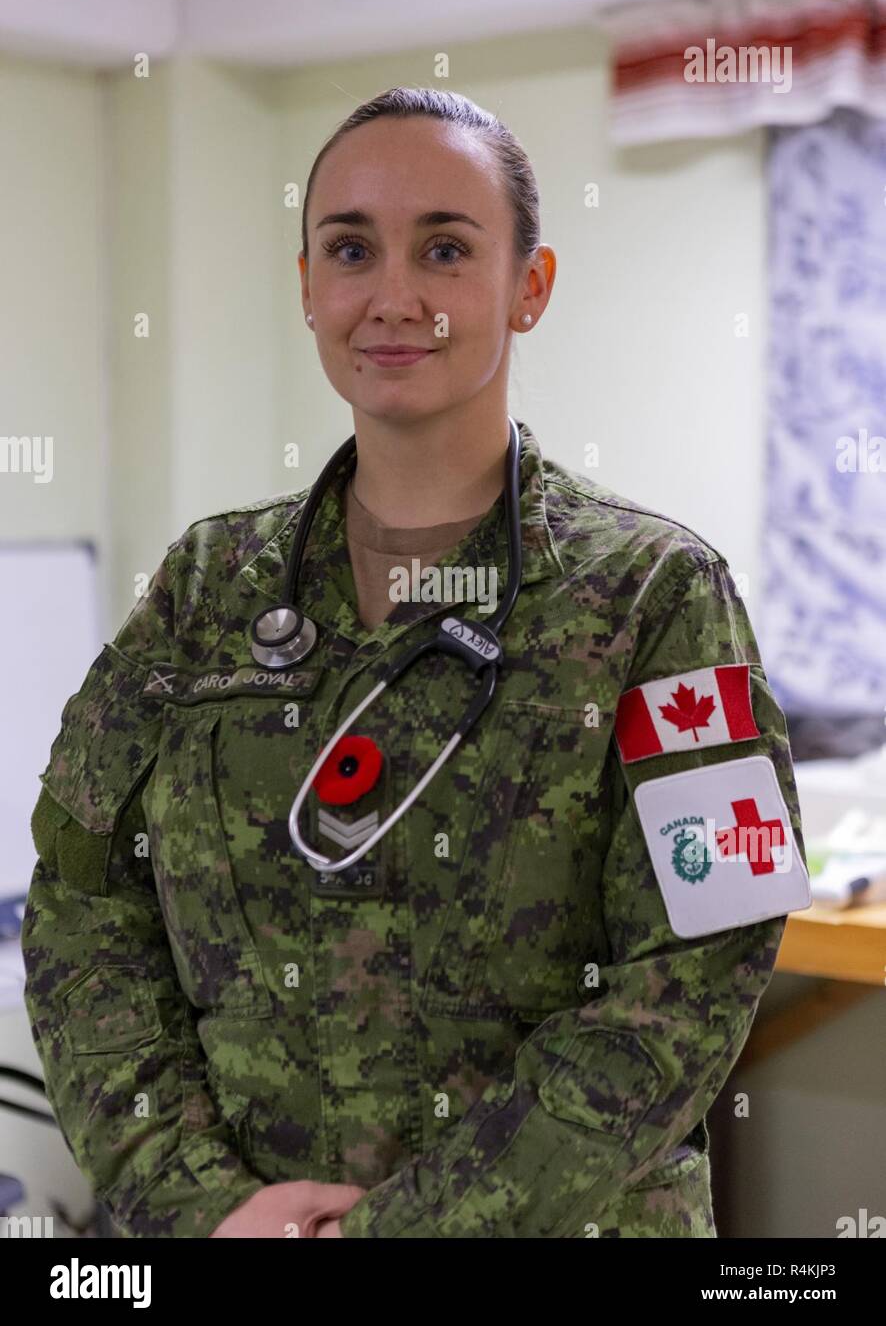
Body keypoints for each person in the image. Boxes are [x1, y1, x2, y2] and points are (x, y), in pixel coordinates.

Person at [21, 86, 808, 1239]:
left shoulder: (654, 594)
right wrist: (199, 1205)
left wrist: (410, 1232)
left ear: (527, 287)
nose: (393, 297)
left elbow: (695, 973)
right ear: (306, 287)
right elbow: (83, 908)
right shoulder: (206, 590)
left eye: (445, 247)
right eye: (351, 248)